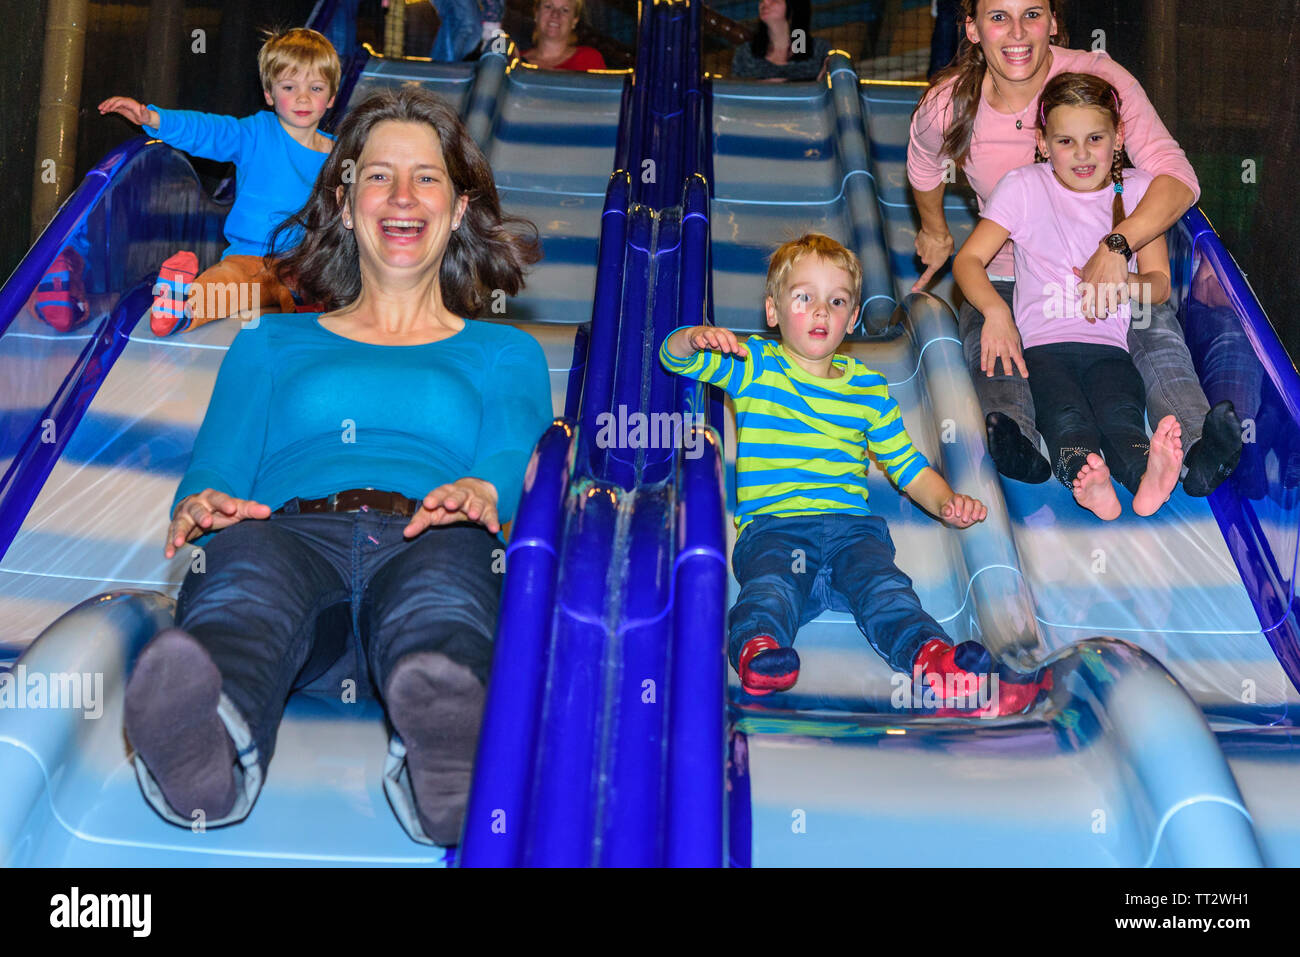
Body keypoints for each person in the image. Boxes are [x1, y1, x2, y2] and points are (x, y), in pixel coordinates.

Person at [121, 87, 552, 847]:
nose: (402, 195)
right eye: (377, 175)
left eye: (426, 177)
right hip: (288, 535)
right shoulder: (270, 341)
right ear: (347, 203)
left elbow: (516, 446)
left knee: (445, 598)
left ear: (456, 211)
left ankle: (451, 760)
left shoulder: (503, 349)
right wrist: (201, 504)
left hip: (432, 529)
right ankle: (207, 748)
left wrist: (483, 487)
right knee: (243, 587)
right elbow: (218, 463)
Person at [659, 233, 1051, 716]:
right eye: (805, 297)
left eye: (837, 300)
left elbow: (907, 465)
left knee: (885, 589)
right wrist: (693, 337)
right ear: (773, 311)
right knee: (771, 586)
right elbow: (674, 359)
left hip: (852, 532)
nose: (821, 311)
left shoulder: (869, 388)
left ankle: (930, 656)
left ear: (852, 315)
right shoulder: (756, 365)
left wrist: (947, 500)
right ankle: (758, 650)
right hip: (776, 528)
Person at [907, 0, 1242, 497]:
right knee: (994, 345)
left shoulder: (1098, 81)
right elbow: (924, 161)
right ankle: (1019, 439)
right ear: (973, 29)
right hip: (1004, 274)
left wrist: (1117, 244)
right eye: (998, 16)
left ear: (1054, 21)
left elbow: (1177, 179)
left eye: (1033, 13)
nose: (1017, 31)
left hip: (1110, 274)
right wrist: (934, 229)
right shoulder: (950, 103)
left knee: (1157, 335)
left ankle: (1195, 446)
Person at [954, 73, 1183, 520]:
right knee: (1065, 418)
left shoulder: (1136, 191)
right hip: (1044, 349)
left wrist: (1123, 282)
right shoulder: (1024, 186)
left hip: (1110, 349)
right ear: (1042, 142)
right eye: (1065, 141)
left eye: (1095, 138)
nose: (1081, 154)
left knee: (1122, 415)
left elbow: (1159, 285)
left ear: (1118, 140)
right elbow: (967, 261)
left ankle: (1146, 477)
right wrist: (997, 312)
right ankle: (1087, 479)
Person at [98, 28, 341, 336]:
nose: (303, 97)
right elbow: (208, 131)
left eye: (316, 88)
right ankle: (181, 308)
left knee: (337, 287)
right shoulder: (255, 134)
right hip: (253, 258)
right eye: (290, 87)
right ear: (269, 94)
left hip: (310, 271)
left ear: (332, 97)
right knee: (231, 281)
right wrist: (154, 119)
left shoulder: (340, 155)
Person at [730, 0, 832, 82]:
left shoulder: (819, 50)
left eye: (774, 0)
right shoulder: (745, 53)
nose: (765, 2)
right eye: (761, 0)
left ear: (793, 7)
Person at [521, 0, 606, 71]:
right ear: (536, 14)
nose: (555, 14)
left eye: (565, 10)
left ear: (574, 21)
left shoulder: (589, 59)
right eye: (548, 6)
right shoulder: (514, 62)